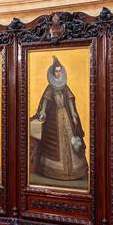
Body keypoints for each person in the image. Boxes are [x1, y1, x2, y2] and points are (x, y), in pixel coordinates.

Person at [30, 55, 88, 185]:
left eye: (59, 71)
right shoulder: (50, 88)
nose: (58, 73)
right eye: (56, 71)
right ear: (52, 72)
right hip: (53, 119)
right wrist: (43, 112)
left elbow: (71, 101)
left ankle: (75, 171)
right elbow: (45, 101)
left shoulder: (65, 87)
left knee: (72, 142)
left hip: (66, 117)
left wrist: (73, 114)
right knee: (56, 144)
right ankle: (54, 171)